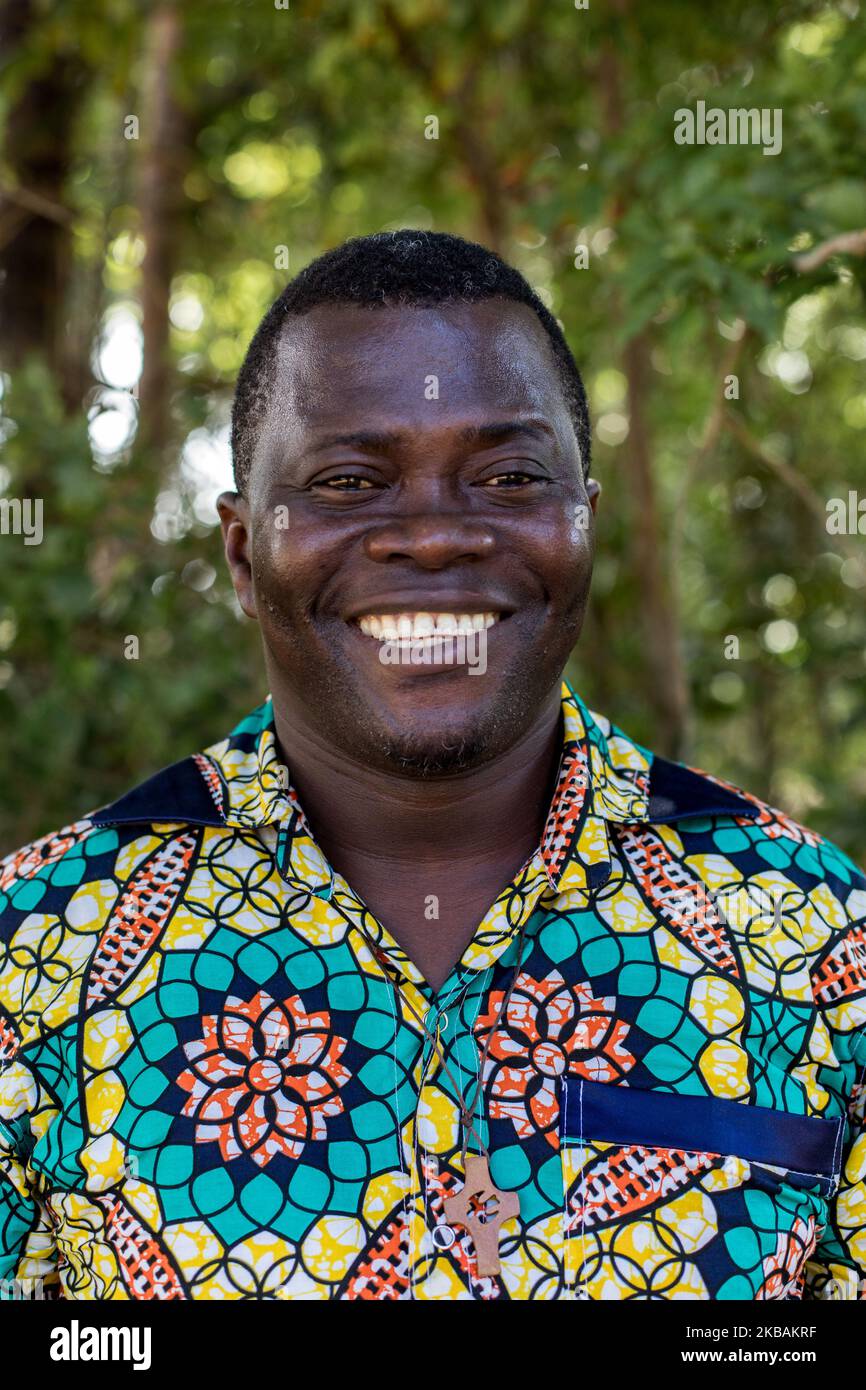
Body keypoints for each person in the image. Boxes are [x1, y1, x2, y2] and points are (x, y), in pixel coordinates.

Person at [1, 230, 863, 1301]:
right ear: (240, 552)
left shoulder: (819, 944)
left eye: (506, 476)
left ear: (582, 521)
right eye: (349, 480)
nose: (433, 537)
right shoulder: (34, 958)